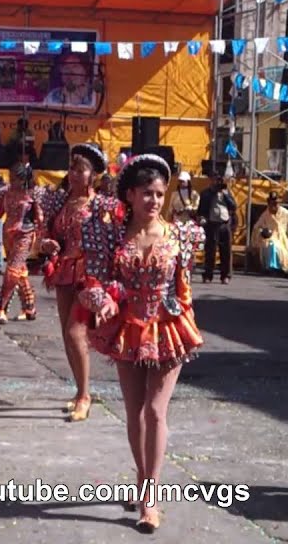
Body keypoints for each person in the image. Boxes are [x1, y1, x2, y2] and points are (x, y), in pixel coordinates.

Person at [81, 154, 204, 532]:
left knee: (155, 411)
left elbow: (184, 289)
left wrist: (186, 321)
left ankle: (151, 497)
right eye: (147, 193)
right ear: (131, 195)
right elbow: (95, 281)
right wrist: (101, 302)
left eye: (159, 193)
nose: (153, 200)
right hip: (128, 328)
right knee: (134, 412)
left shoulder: (181, 234)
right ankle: (142, 477)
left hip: (167, 328)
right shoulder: (111, 236)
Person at [38, 143, 120, 423]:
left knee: (75, 332)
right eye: (72, 168)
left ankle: (85, 396)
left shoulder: (100, 205)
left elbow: (113, 240)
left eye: (80, 169)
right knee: (67, 335)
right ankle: (79, 391)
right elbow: (49, 234)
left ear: (93, 174)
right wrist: (48, 244)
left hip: (90, 274)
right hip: (64, 271)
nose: (73, 174)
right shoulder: (60, 202)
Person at [0, 162, 42, 323]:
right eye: (10, 177)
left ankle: (1, 308)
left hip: (25, 233)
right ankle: (29, 307)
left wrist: (42, 238)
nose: (11, 181)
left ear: (23, 179)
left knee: (12, 271)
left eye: (15, 178)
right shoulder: (4, 192)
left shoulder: (33, 193)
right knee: (19, 271)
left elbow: (40, 218)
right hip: (8, 235)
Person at [197, 175, 237, 284]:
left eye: (219, 180)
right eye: (215, 180)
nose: (217, 183)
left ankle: (225, 276)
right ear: (211, 181)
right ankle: (208, 275)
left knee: (226, 251)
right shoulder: (206, 193)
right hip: (212, 224)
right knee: (210, 251)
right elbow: (201, 210)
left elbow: (233, 206)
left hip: (224, 224)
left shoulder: (226, 193)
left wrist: (225, 195)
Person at [250, 191, 288, 276]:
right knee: (272, 245)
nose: (274, 206)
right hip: (270, 237)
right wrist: (262, 232)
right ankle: (272, 268)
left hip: (284, 238)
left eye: (276, 203)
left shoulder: (284, 212)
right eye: (272, 203)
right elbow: (256, 227)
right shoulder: (265, 214)